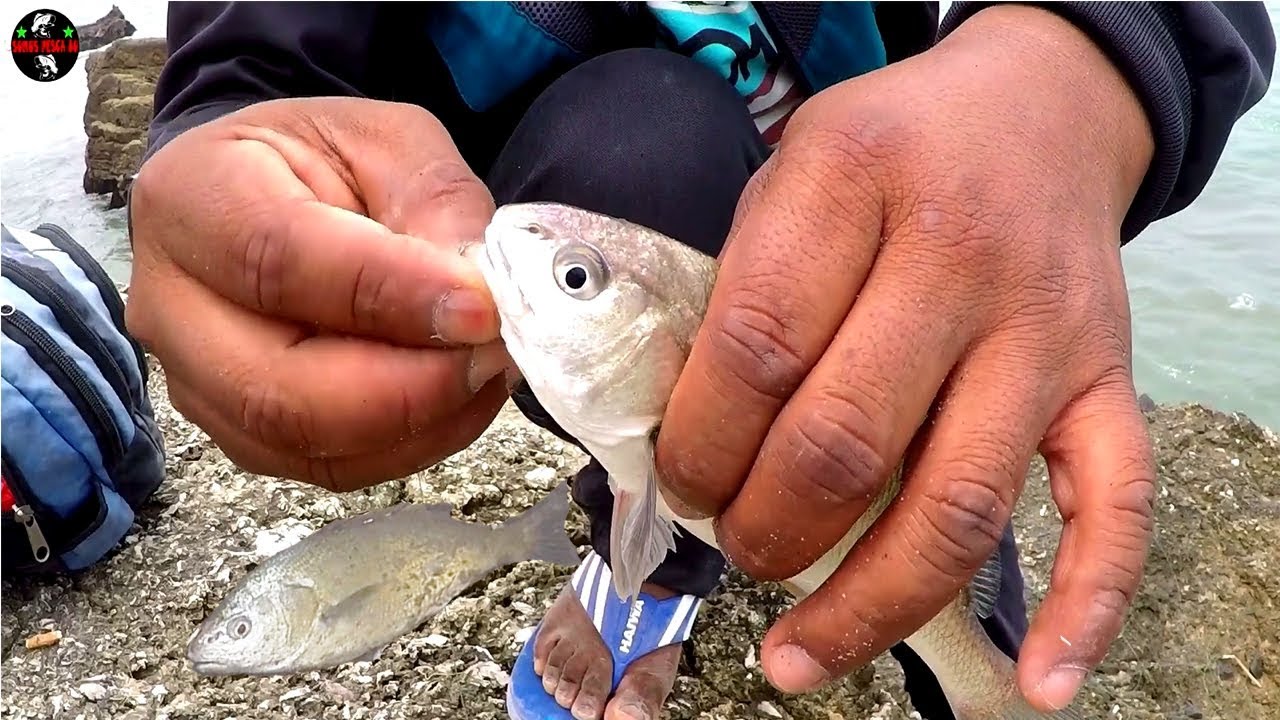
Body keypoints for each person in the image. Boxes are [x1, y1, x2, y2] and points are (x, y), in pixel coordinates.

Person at [127, 3, 1274, 720]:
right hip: (586, 179)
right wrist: (230, 140)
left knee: (938, 549)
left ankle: (957, 633)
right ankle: (651, 555)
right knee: (636, 159)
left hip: (885, 257)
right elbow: (253, 64)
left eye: (579, 280)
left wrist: (1071, 68)